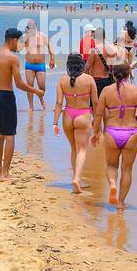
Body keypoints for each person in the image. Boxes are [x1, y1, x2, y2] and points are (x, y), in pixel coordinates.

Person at [0, 28, 43, 180]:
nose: (21, 47)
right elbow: (19, 84)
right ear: (14, 40)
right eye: (20, 43)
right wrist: (36, 91)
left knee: (0, 133)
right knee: (10, 135)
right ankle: (5, 173)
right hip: (6, 96)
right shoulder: (12, 58)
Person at [92, 64, 137, 210]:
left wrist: (95, 132)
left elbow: (98, 114)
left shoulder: (106, 91)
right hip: (130, 133)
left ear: (113, 74)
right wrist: (135, 117)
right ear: (129, 74)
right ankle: (121, 202)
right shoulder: (135, 90)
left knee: (111, 166)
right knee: (127, 169)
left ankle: (112, 185)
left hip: (111, 132)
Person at [52, 52, 97, 194]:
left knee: (74, 149)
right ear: (81, 65)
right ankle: (77, 179)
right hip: (83, 115)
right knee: (82, 150)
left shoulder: (62, 80)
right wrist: (97, 120)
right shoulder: (89, 79)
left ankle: (76, 178)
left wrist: (55, 123)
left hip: (68, 116)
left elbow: (59, 103)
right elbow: (95, 102)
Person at [20, 19, 54, 112]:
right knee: (29, 86)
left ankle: (41, 99)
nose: (31, 27)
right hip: (29, 65)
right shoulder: (25, 36)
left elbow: (50, 46)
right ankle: (31, 106)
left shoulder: (42, 36)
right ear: (27, 27)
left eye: (32, 25)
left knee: (42, 86)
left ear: (36, 26)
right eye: (29, 25)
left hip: (40, 65)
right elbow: (18, 48)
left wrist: (52, 58)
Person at [80, 22, 110, 93]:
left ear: (95, 37)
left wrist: (81, 79)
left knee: (94, 102)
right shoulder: (110, 49)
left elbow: (87, 66)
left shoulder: (93, 50)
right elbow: (113, 67)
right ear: (104, 37)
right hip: (107, 79)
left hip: (96, 80)